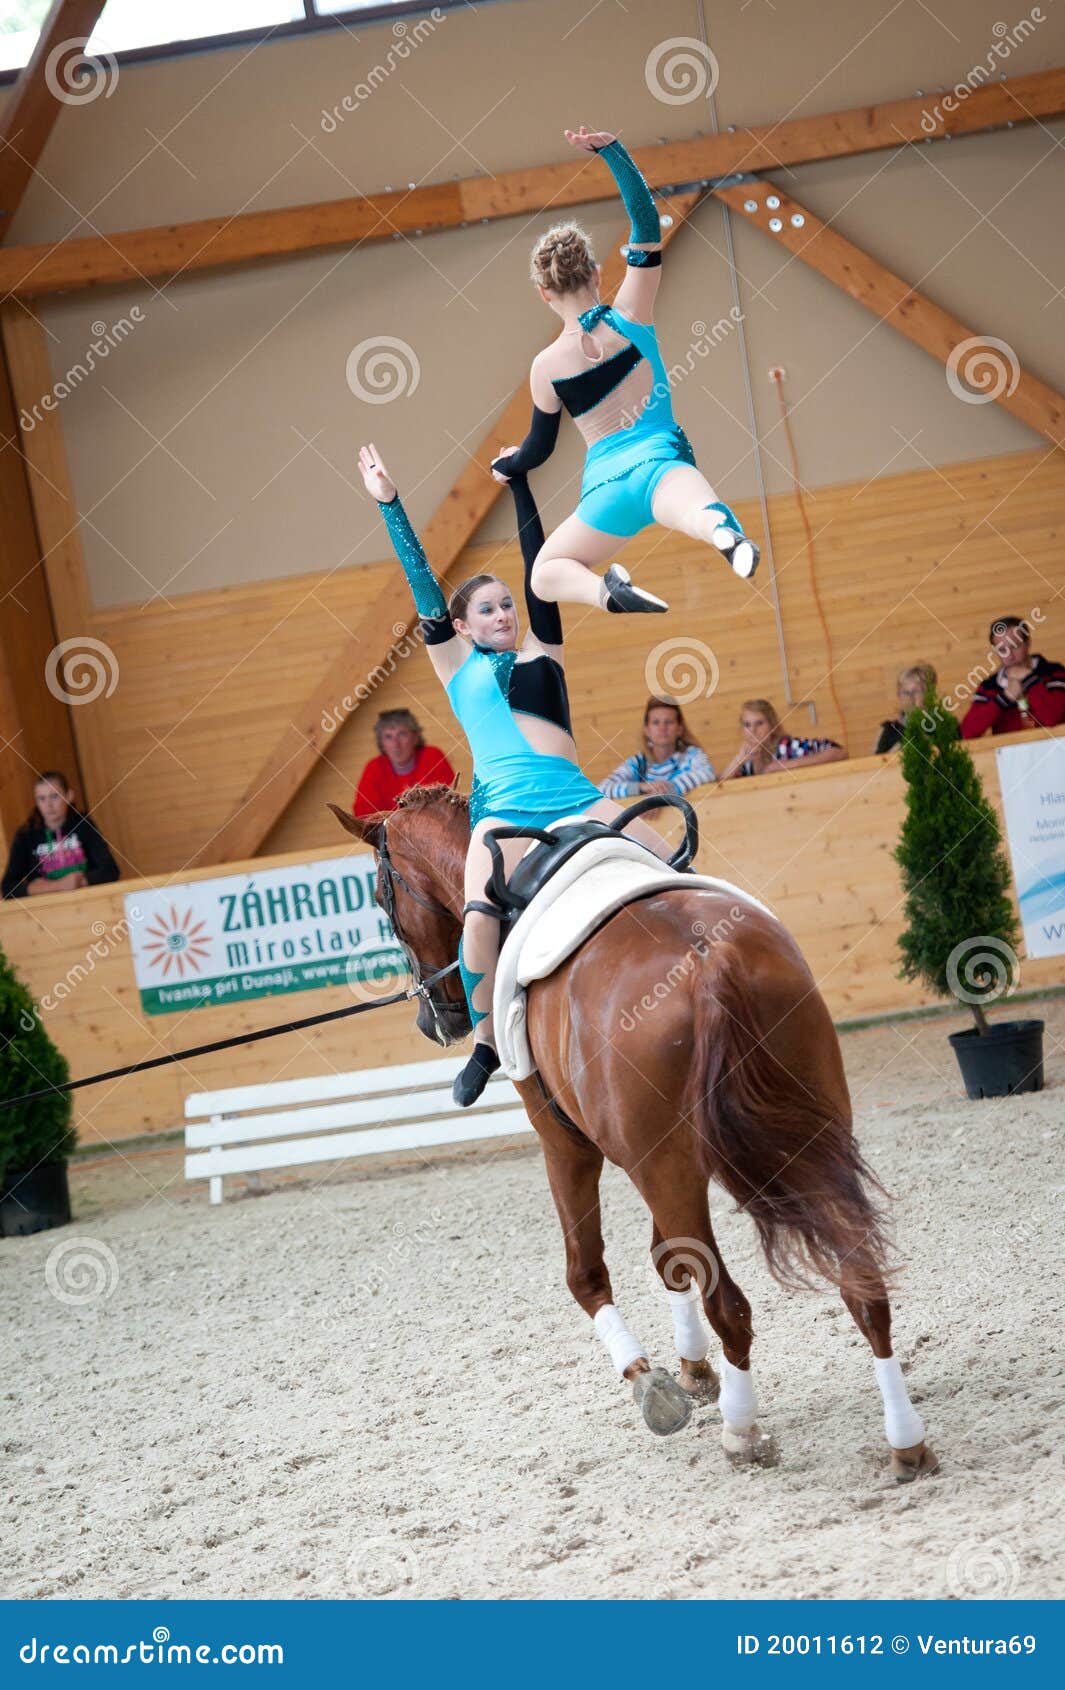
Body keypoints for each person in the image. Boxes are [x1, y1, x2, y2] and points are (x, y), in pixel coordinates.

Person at [357, 441, 674, 1108]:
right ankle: (485, 1045)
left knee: (668, 859)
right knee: (477, 918)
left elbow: (539, 563)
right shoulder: (455, 666)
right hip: (502, 814)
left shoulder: (543, 648)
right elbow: (420, 579)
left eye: (507, 605)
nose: (503, 614)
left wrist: (520, 485)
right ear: (464, 628)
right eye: (488, 610)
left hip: (576, 798)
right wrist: (390, 504)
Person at [490, 124, 758, 618]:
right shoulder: (632, 316)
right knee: (700, 514)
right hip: (661, 466)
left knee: (545, 573)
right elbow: (645, 222)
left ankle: (605, 594)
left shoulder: (545, 367)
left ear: (544, 294)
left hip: (606, 491)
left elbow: (539, 449)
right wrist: (611, 151)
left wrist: (507, 465)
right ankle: (725, 534)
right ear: (595, 274)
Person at [1, 771, 120, 899]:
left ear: (68, 796)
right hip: (46, 910)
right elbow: (8, 887)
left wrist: (77, 883)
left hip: (87, 900)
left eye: (54, 796)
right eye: (41, 799)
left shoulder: (84, 825)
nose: (48, 805)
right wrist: (59, 886)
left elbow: (111, 871)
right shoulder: (26, 834)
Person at [960, 617, 1065, 738]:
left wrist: (1029, 679)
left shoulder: (1054, 672)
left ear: (1027, 643)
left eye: (1015, 646)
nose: (1009, 656)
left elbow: (1053, 719)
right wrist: (1005, 697)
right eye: (1002, 650)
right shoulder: (989, 686)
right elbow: (967, 733)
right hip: (1009, 755)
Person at [600, 697, 715, 799]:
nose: (662, 728)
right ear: (647, 730)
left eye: (669, 722)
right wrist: (643, 787)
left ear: (679, 729)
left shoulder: (691, 755)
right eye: (656, 722)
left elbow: (707, 773)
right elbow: (602, 790)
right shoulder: (639, 763)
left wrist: (666, 791)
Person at [353, 710, 456, 817]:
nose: (396, 744)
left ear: (416, 737)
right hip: (388, 832)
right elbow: (363, 813)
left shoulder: (433, 756)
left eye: (402, 734)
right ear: (381, 743)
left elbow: (448, 802)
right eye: (388, 737)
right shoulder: (374, 768)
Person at [720, 699, 847, 779]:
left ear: (772, 726)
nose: (752, 730)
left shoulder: (788, 747)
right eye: (747, 725)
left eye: (759, 723)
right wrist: (738, 760)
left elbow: (839, 752)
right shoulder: (746, 762)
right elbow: (718, 785)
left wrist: (784, 766)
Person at [874, 663, 937, 754]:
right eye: (905, 692)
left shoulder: (941, 724)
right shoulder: (888, 730)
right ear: (899, 695)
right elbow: (877, 764)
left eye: (916, 691)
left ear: (927, 693)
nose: (910, 697)